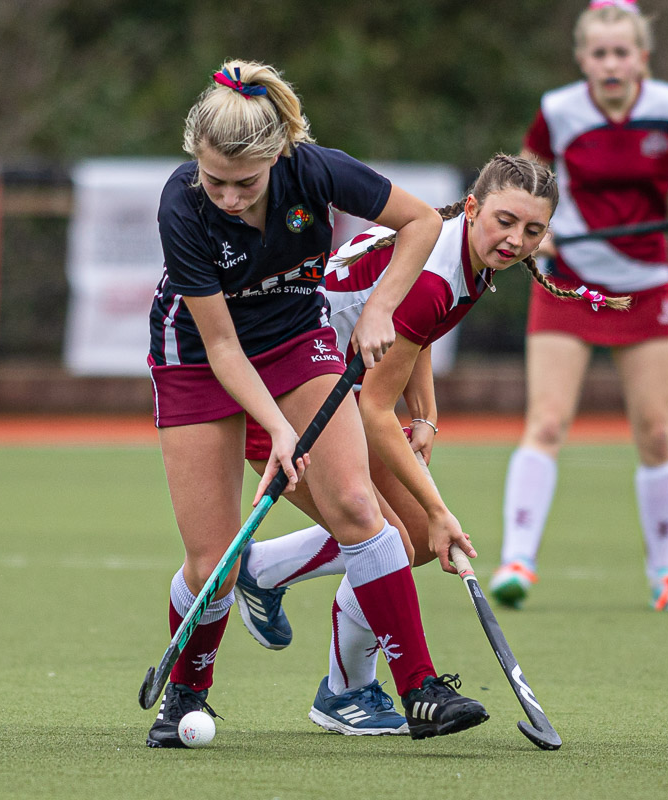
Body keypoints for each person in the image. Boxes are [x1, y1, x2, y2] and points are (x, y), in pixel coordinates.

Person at [144, 59, 489, 748]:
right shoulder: (181, 204)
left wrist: (380, 309)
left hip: (297, 337)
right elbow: (221, 347)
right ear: (195, 162)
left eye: (246, 182)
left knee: (363, 510)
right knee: (215, 563)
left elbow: (420, 222)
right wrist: (276, 429)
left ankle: (417, 689)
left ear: (278, 157)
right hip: (198, 358)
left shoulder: (316, 169)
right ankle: (188, 689)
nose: (230, 197)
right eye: (216, 180)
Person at [233, 154, 625, 734]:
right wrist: (442, 512)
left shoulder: (460, 250)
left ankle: (263, 571)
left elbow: (411, 337)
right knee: (395, 535)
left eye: (533, 230)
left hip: (328, 387)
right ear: (473, 208)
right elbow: (373, 408)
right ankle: (347, 691)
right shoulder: (437, 275)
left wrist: (428, 413)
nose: (516, 240)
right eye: (505, 221)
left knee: (408, 539)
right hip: (279, 394)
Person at [489, 0, 668, 613]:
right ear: (583, 59)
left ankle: (667, 576)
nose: (611, 63)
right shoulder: (558, 112)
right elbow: (528, 182)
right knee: (546, 422)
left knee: (655, 431)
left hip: (646, 286)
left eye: (623, 52)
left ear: (641, 58)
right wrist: (542, 231)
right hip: (571, 281)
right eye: (599, 53)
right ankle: (517, 561)